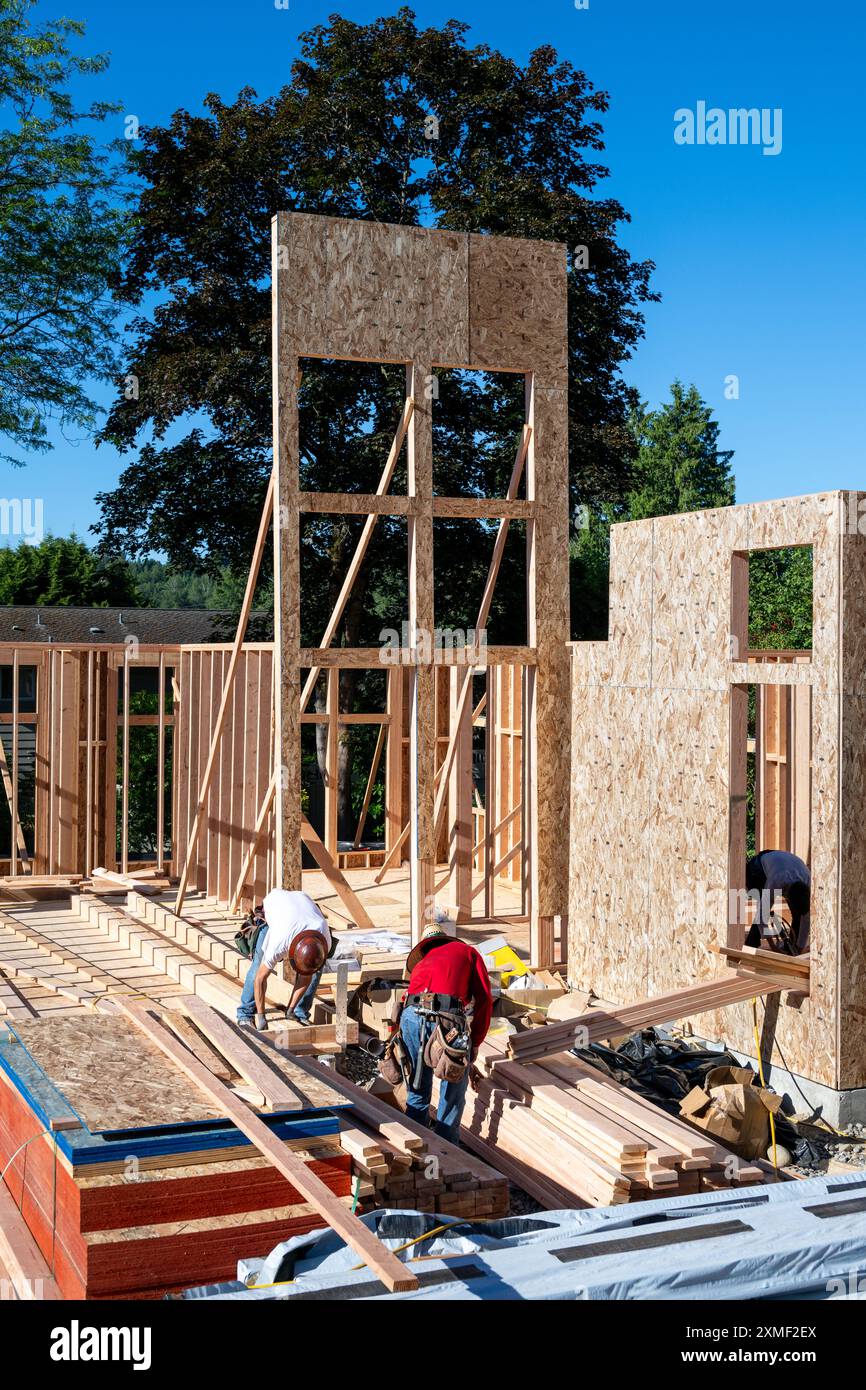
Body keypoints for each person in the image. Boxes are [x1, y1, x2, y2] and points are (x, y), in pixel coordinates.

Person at [399, 920, 493, 1143]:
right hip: (446, 1018)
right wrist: (476, 1042)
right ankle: (446, 1151)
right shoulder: (467, 952)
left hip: (411, 1016)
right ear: (446, 938)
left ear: (425, 946)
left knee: (417, 1088)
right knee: (452, 1086)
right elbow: (485, 1000)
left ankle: (414, 1148)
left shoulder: (423, 963)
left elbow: (405, 1001)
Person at [237, 888, 332, 1030]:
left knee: (315, 967)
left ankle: (297, 1012)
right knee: (259, 966)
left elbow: (307, 975)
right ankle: (245, 1014)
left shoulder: (324, 940)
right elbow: (260, 979)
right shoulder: (280, 941)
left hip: (301, 901)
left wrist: (290, 1009)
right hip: (275, 905)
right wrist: (262, 1017)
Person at [745, 849, 811, 953]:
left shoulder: (808, 883)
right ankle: (750, 945)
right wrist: (773, 946)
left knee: (798, 915)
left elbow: (806, 919)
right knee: (763, 908)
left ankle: (792, 947)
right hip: (757, 869)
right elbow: (762, 915)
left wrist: (799, 948)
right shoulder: (777, 881)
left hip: (781, 862)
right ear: (788, 896)